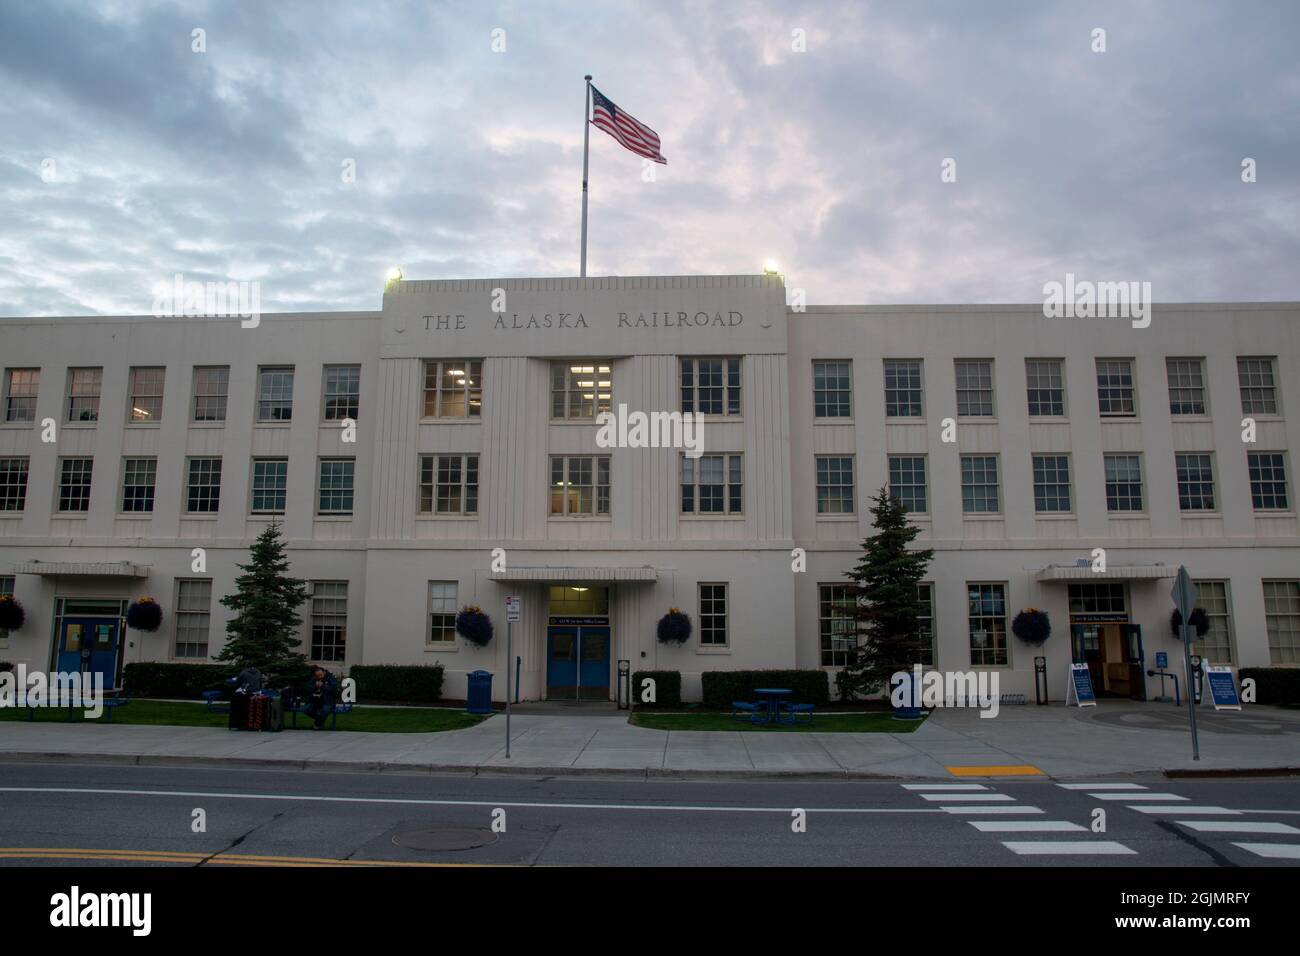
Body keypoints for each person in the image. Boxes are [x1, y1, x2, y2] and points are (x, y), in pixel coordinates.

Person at [301, 665, 338, 730]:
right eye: (317, 676)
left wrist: (323, 686)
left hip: (327, 701)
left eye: (320, 675)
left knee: (325, 710)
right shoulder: (315, 678)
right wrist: (315, 686)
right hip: (315, 700)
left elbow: (334, 689)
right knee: (305, 709)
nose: (319, 677)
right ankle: (320, 720)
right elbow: (307, 686)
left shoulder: (331, 678)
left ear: (324, 672)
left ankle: (317, 724)